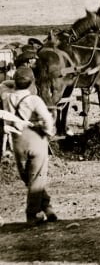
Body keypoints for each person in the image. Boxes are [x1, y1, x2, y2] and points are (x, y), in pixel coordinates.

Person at [0, 66, 58, 225]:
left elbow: (3, 84)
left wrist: (16, 82)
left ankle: (47, 207)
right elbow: (47, 120)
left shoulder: (6, 96)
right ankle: (32, 215)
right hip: (36, 138)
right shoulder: (35, 100)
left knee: (29, 178)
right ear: (32, 82)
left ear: (15, 82)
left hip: (18, 140)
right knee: (37, 177)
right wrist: (48, 132)